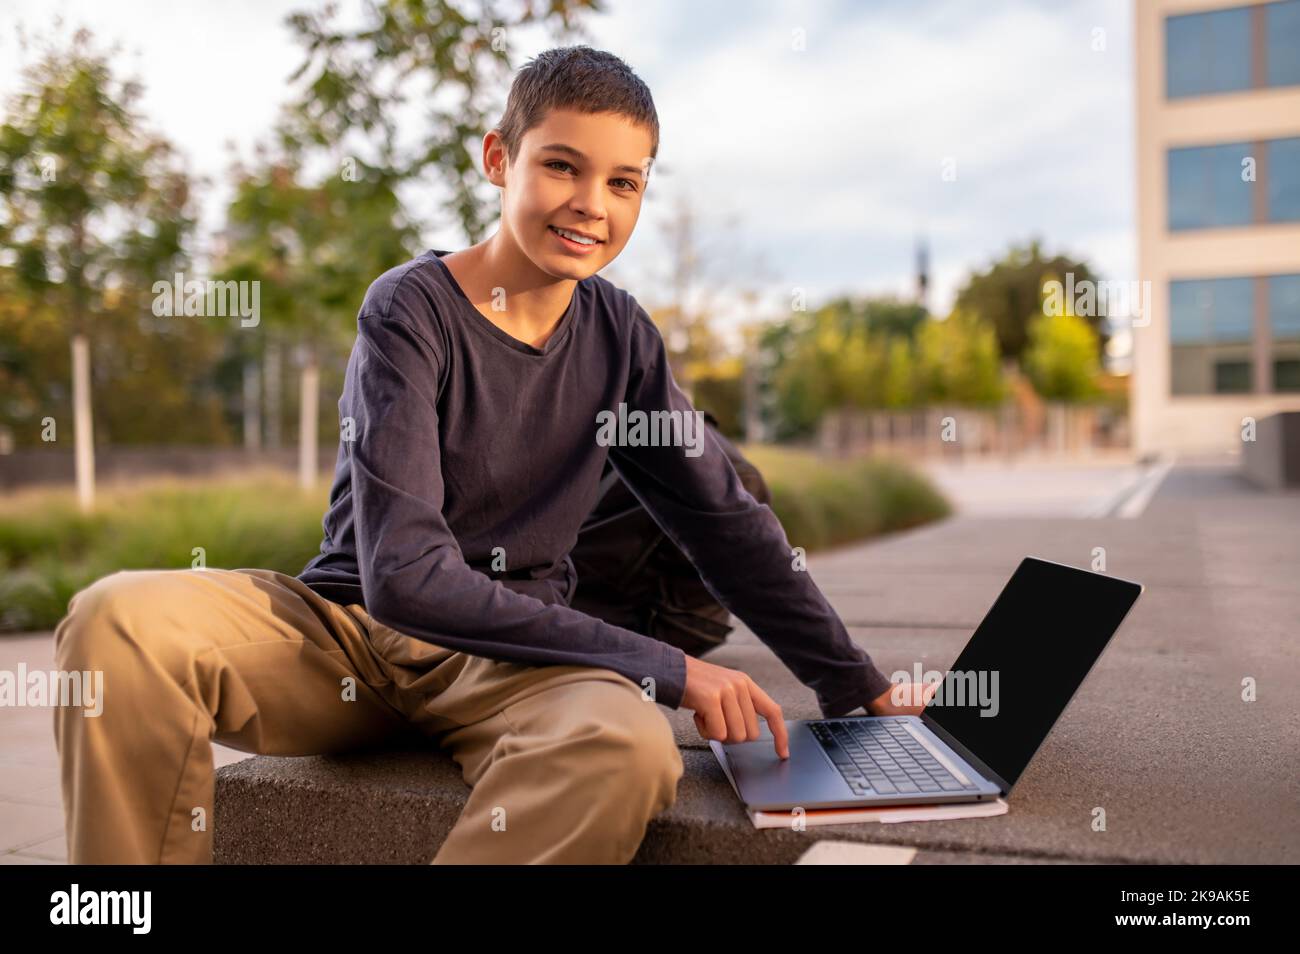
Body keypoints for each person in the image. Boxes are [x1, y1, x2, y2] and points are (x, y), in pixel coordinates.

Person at [52, 45, 925, 866]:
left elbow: (724, 520)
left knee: (624, 745)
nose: (592, 203)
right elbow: (403, 576)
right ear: (499, 159)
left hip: (515, 667)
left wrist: (858, 689)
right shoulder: (408, 310)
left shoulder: (622, 336)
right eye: (562, 165)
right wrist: (670, 666)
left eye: (624, 182)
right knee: (117, 619)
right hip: (350, 638)